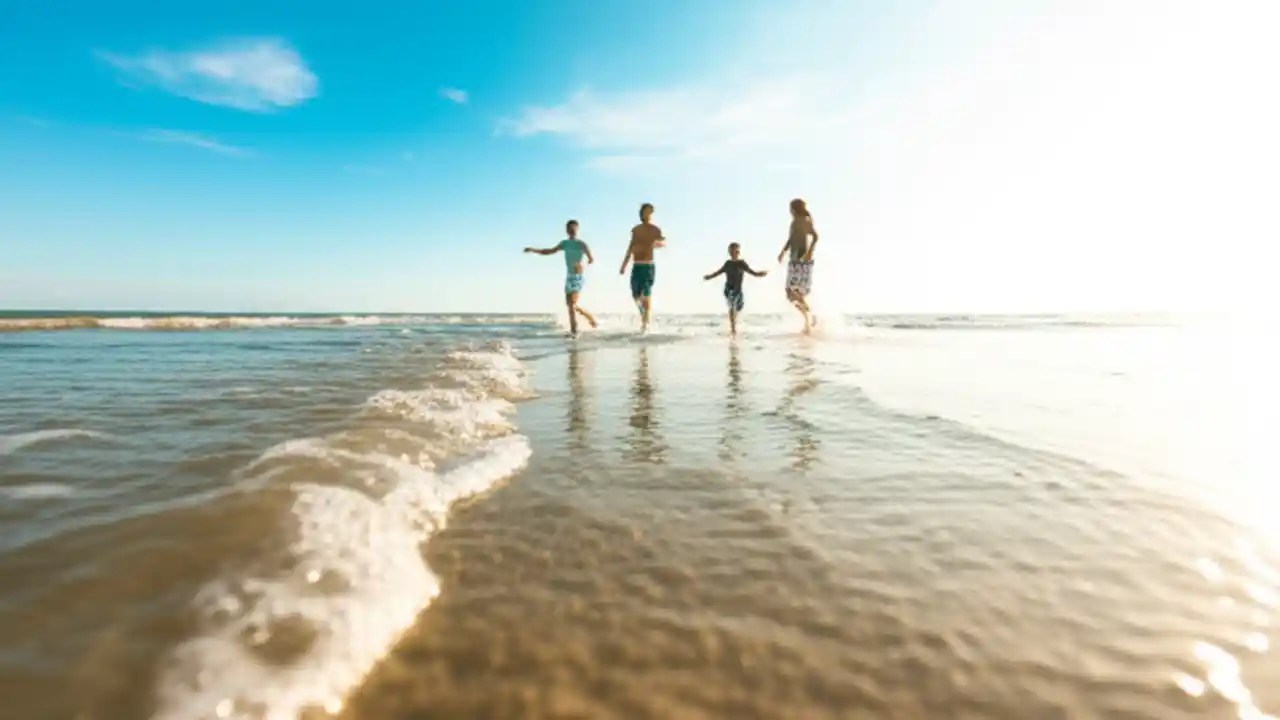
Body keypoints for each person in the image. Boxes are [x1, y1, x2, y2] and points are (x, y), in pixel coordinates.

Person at [524, 219, 598, 336]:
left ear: (577, 229)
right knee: (571, 305)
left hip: (577, 276)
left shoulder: (582, 244)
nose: (571, 230)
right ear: (566, 230)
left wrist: (583, 264)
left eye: (573, 228)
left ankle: (574, 331)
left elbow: (591, 259)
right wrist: (533, 250)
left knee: (571, 305)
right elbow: (548, 251)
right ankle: (591, 320)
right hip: (569, 276)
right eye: (569, 228)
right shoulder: (564, 243)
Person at [619, 202, 665, 332]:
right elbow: (630, 247)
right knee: (635, 294)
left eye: (651, 212)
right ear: (642, 214)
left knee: (646, 293)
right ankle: (644, 314)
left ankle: (646, 323)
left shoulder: (655, 229)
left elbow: (663, 242)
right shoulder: (636, 230)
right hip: (636, 266)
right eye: (647, 212)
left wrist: (658, 243)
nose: (649, 214)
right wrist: (624, 265)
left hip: (648, 266)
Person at [703, 242, 767, 337]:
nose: (734, 253)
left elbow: (751, 272)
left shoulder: (742, 263)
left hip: (738, 290)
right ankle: (733, 328)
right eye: (732, 251)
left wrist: (759, 274)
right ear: (729, 252)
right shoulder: (728, 264)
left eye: (736, 251)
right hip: (729, 288)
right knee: (731, 306)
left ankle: (734, 324)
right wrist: (709, 277)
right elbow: (719, 272)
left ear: (738, 252)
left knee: (738, 308)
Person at [777, 198, 819, 334]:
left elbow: (815, 236)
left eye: (790, 208)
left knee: (792, 292)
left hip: (801, 261)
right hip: (795, 260)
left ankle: (809, 318)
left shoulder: (804, 221)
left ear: (794, 209)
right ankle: (808, 319)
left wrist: (810, 251)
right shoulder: (794, 222)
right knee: (792, 294)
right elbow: (792, 238)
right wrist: (783, 251)